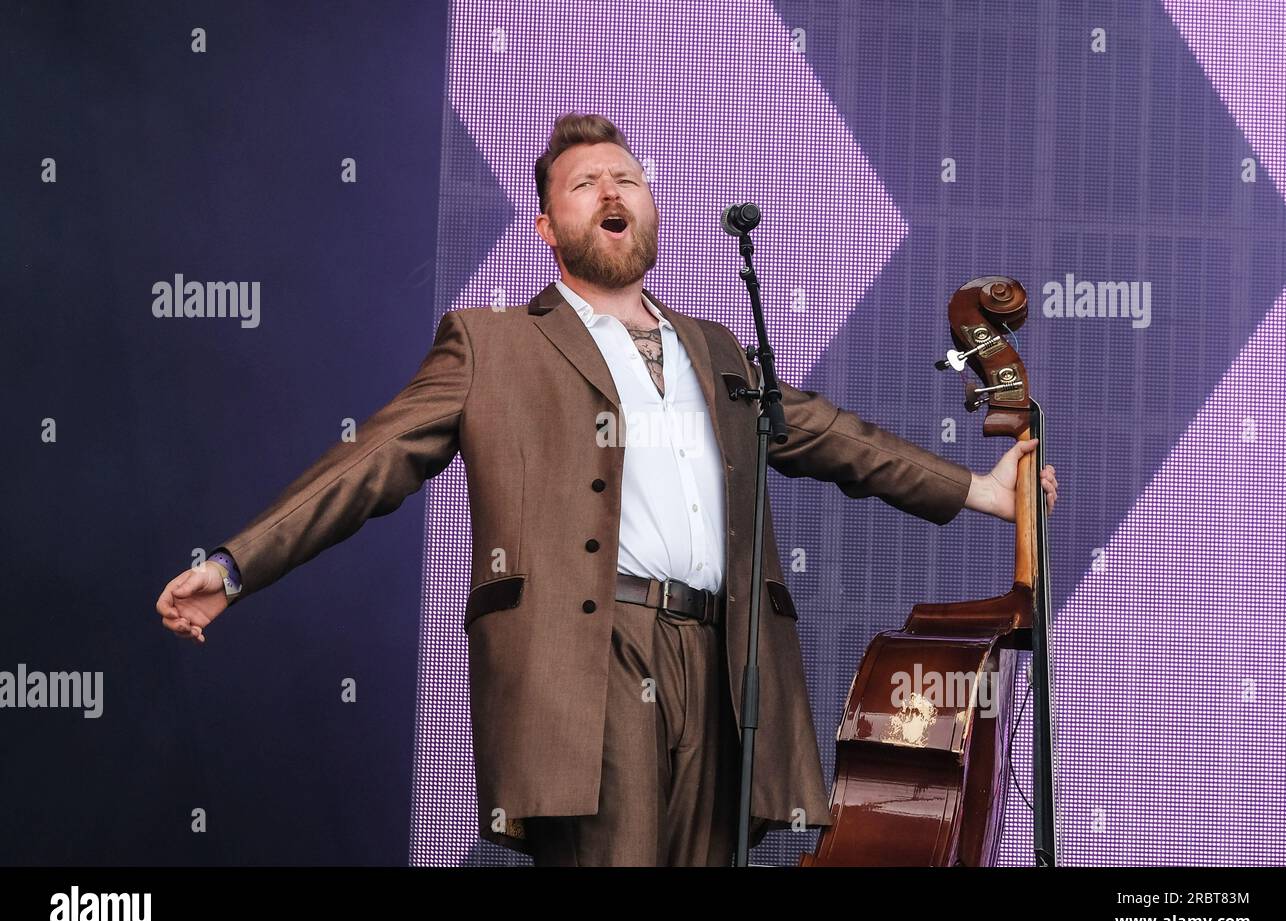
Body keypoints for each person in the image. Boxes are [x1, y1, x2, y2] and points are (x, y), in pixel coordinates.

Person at [156, 112, 1060, 866]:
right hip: (594, 654)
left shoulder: (716, 348)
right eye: (585, 183)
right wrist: (236, 566)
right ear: (546, 228)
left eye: (627, 178)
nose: (613, 191)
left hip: (721, 654)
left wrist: (980, 490)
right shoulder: (492, 344)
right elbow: (370, 461)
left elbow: (830, 436)